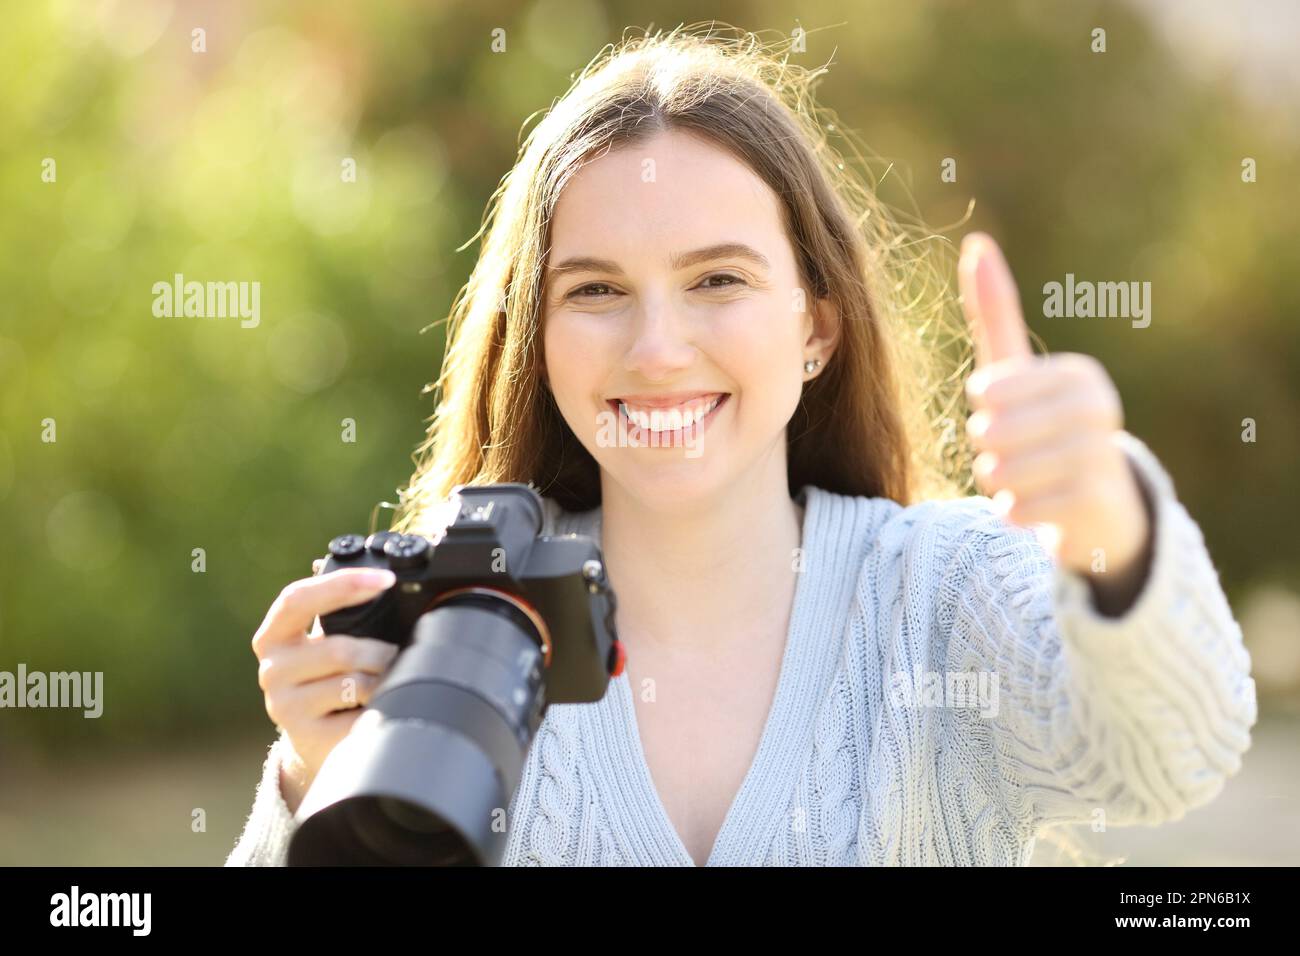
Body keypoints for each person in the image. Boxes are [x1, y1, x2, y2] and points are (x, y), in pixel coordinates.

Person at [226, 26, 1256, 866]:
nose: (657, 346)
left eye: (717, 279)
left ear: (815, 324)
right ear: (536, 340)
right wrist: (312, 786)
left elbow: (1176, 756)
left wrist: (1112, 524)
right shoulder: (456, 638)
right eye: (595, 290)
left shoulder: (946, 593)